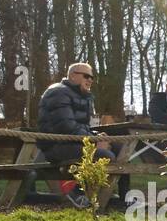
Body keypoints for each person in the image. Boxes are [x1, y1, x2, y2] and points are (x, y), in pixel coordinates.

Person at [37, 62, 114, 209]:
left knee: (120, 147)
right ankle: (77, 193)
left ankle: (121, 196)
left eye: (92, 77)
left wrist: (97, 135)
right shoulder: (58, 92)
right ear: (72, 75)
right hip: (56, 146)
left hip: (74, 142)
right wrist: (95, 141)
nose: (90, 80)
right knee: (105, 155)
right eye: (86, 76)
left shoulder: (82, 96)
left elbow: (81, 127)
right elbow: (66, 127)